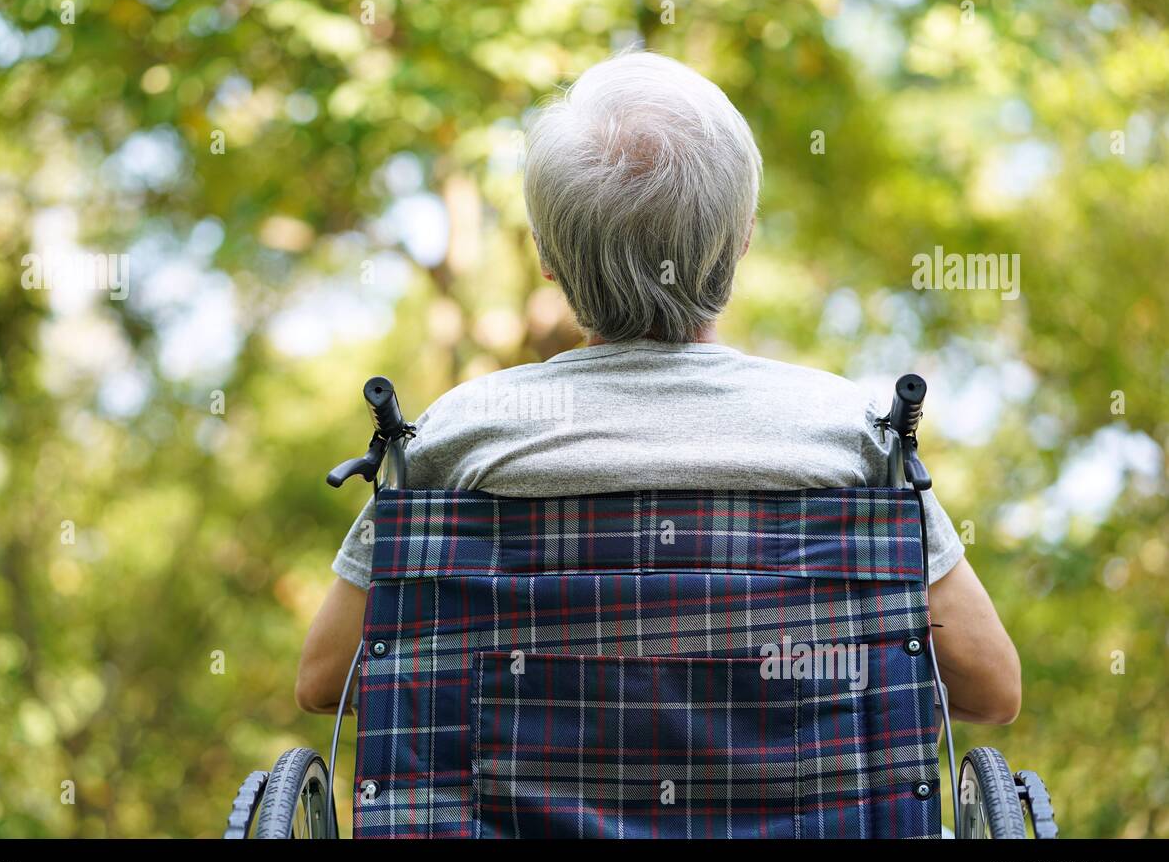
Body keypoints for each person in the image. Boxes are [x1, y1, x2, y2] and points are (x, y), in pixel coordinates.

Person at [295, 50, 1021, 726]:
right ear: (742, 239)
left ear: (547, 257)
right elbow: (991, 686)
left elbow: (326, 678)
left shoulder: (460, 435)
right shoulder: (849, 436)